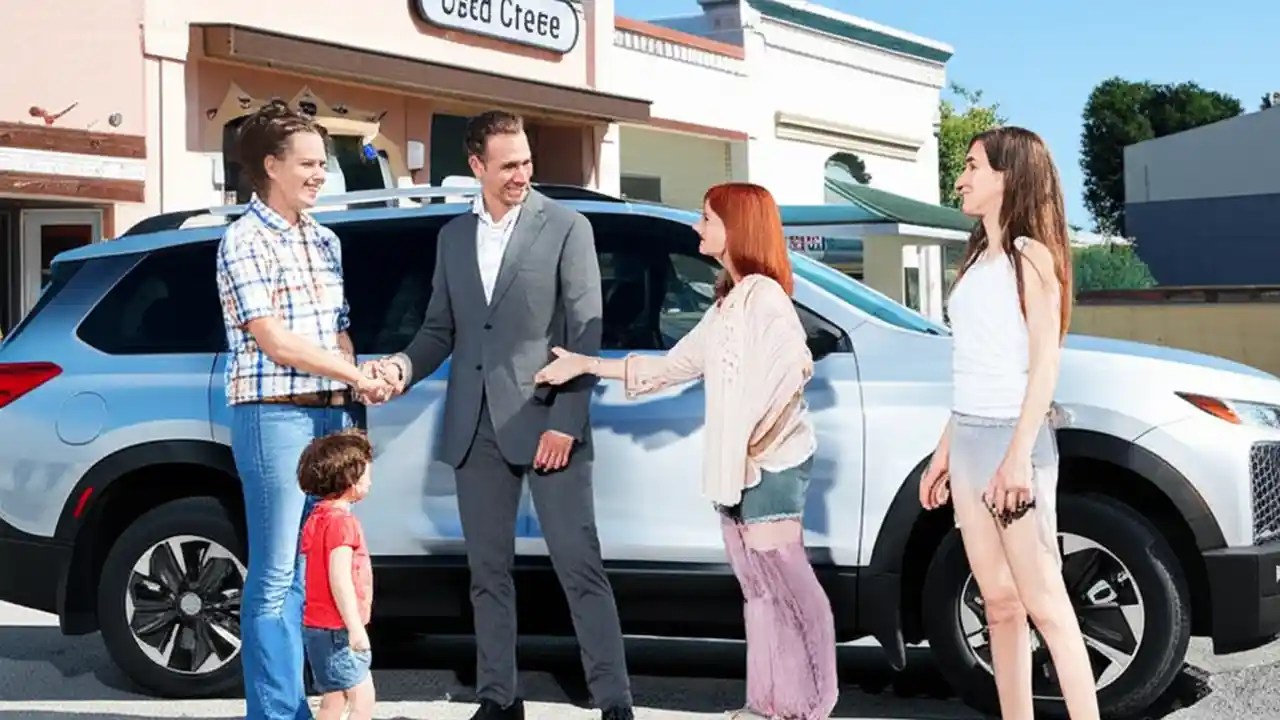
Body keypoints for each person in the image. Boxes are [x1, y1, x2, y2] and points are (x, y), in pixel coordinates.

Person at [364, 110, 632, 720]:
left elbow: (586, 335)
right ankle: (498, 699)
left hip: (547, 421)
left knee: (579, 567)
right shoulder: (453, 238)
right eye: (508, 164)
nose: (521, 174)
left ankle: (615, 701)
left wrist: (567, 420)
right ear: (477, 167)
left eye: (527, 162)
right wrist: (403, 368)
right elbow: (440, 330)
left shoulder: (568, 228)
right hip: (474, 426)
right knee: (488, 574)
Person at [534, 182, 838, 720]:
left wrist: (759, 442)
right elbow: (674, 365)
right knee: (758, 590)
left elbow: (795, 367)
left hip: (769, 468)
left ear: (737, 226)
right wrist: (587, 365)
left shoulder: (765, 296)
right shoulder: (728, 303)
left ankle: (814, 701)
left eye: (706, 217)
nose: (698, 227)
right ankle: (767, 703)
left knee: (787, 581)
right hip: (737, 471)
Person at [215, 100, 389, 720]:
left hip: (329, 414)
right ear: (271, 166)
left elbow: (338, 330)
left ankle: (328, 701)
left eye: (325, 163)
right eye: (309, 163)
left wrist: (358, 379)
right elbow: (275, 340)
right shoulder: (243, 241)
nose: (322, 174)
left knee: (321, 568)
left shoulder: (326, 240)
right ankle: (277, 712)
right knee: (277, 576)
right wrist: (354, 374)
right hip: (273, 415)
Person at [919, 127, 1099, 720]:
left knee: (1045, 602)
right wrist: (944, 451)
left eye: (972, 166)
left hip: (1012, 444)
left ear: (1007, 175)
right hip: (970, 438)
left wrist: (1018, 456)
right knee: (998, 603)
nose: (961, 177)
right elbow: (971, 364)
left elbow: (1044, 362)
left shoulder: (1031, 256)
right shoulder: (977, 259)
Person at [299, 429, 377, 720]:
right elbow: (340, 578)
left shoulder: (316, 519)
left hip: (317, 626)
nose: (370, 481)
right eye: (366, 474)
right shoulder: (344, 524)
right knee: (362, 700)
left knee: (333, 699)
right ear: (350, 481)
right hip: (338, 629)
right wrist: (355, 627)